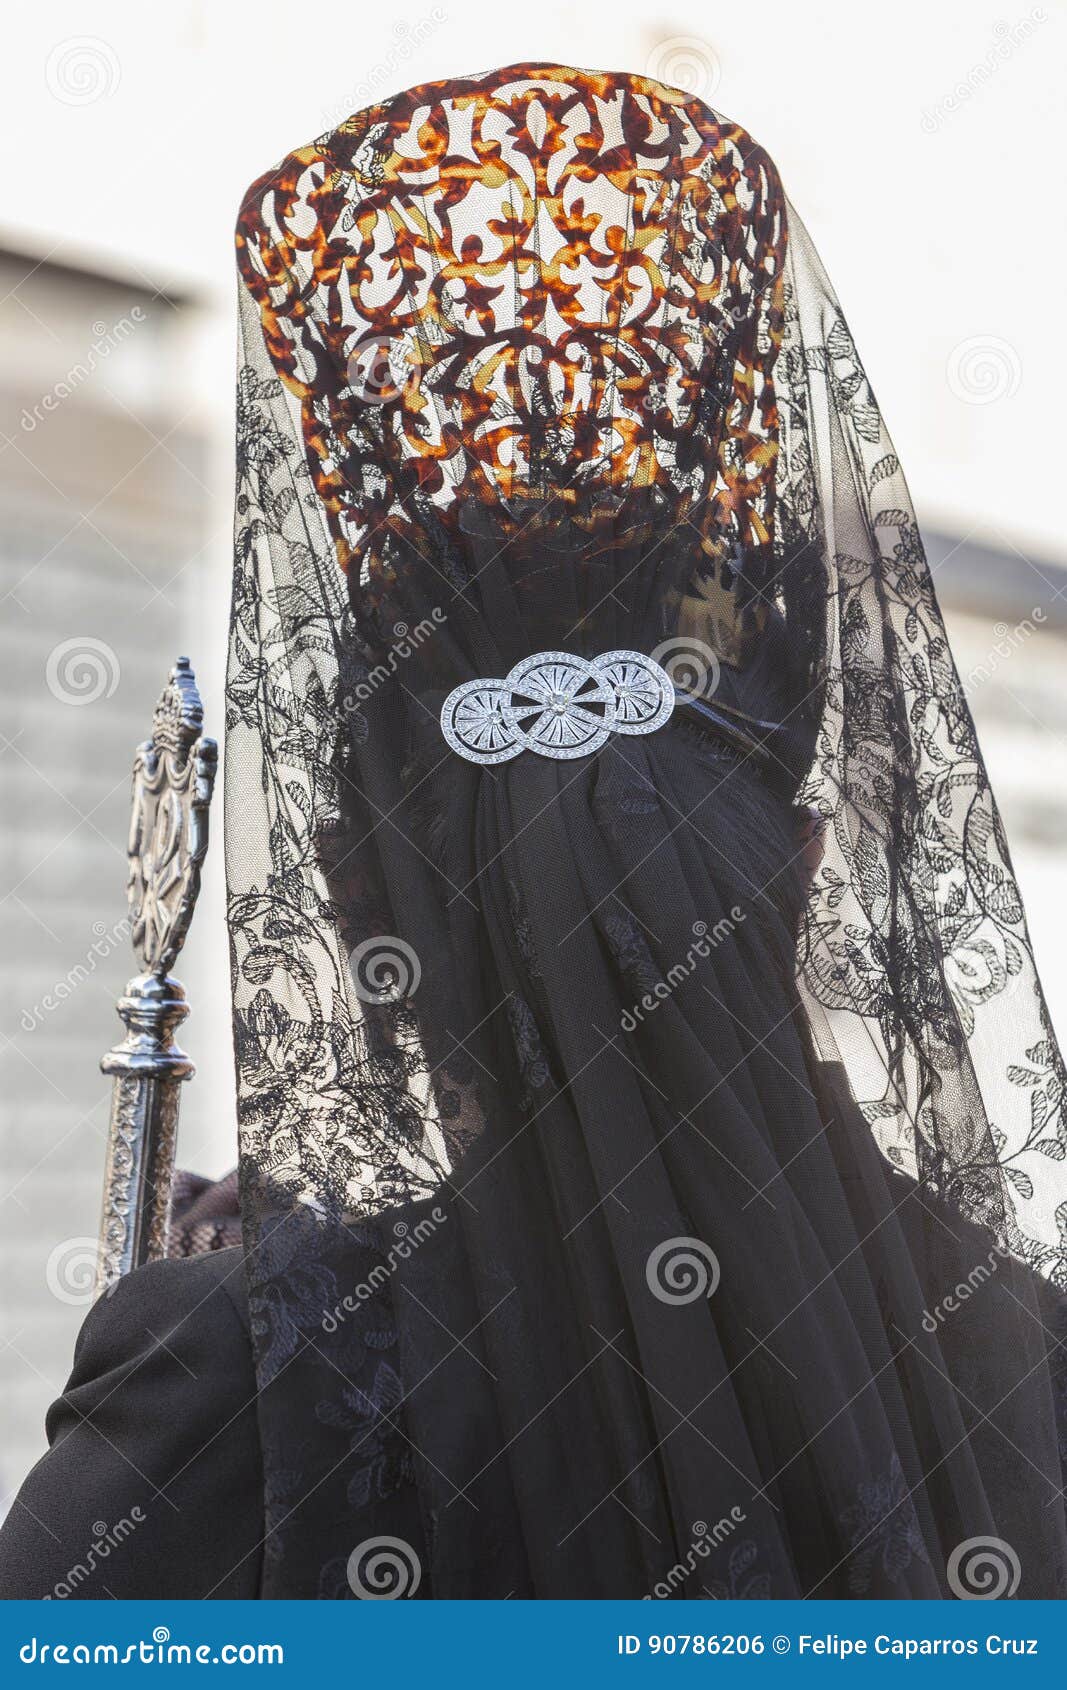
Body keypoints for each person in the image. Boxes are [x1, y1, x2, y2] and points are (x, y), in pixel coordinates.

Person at [3, 60, 1066, 1601]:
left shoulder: (247, 1398)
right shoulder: (1021, 1355)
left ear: (352, 900)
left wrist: (243, 1340)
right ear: (809, 854)